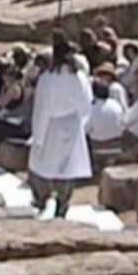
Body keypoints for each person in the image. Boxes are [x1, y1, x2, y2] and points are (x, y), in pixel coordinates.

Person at [28, 34, 93, 218]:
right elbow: (86, 103)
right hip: (72, 125)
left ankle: (43, 198)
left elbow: (41, 108)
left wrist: (38, 135)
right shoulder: (80, 78)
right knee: (67, 168)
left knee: (43, 165)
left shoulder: (47, 79)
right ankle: (63, 202)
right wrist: (81, 124)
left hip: (51, 125)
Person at [85, 75, 127, 150]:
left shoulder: (90, 108)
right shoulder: (117, 105)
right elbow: (123, 123)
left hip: (98, 147)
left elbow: (86, 129)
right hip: (116, 146)